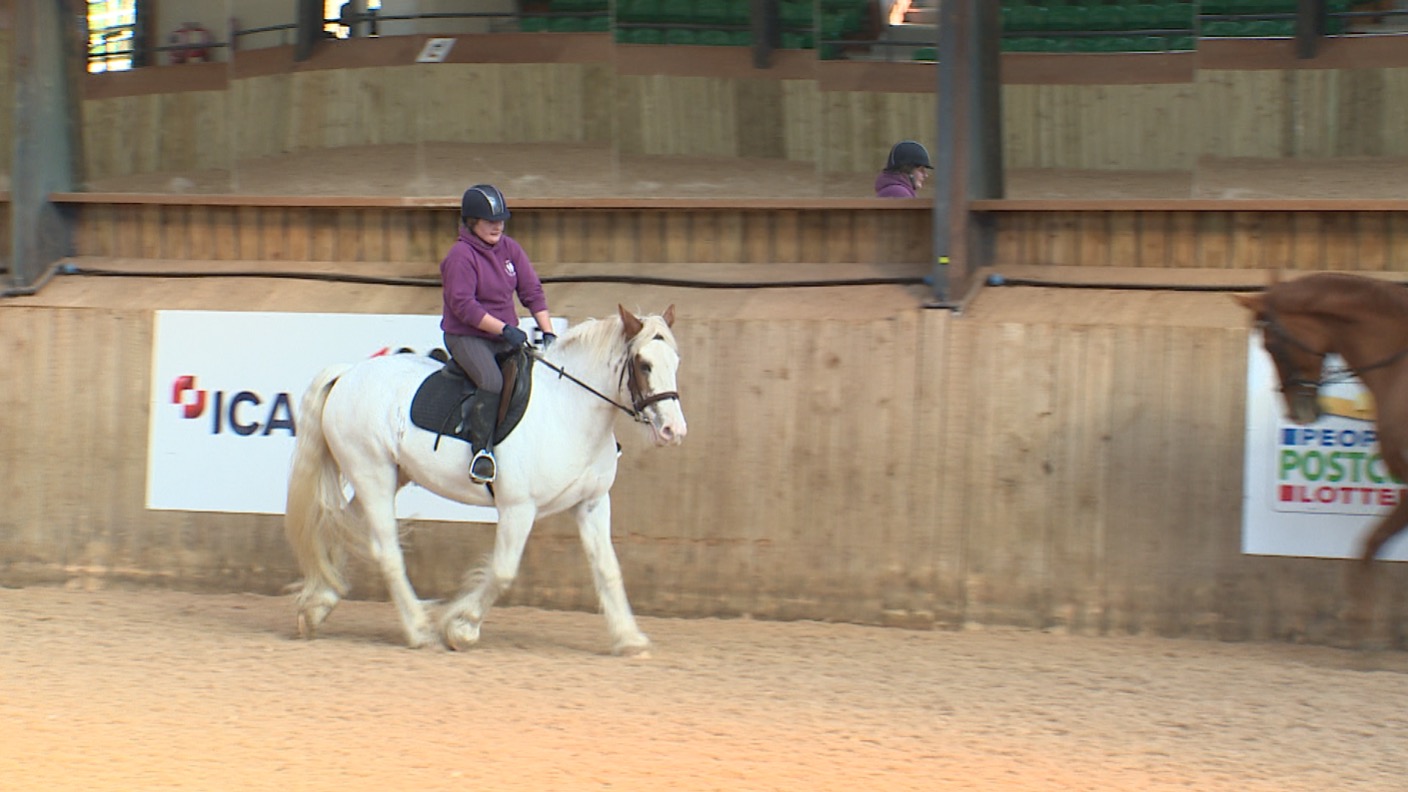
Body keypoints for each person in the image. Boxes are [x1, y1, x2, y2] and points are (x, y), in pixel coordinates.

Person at [440, 183, 556, 484]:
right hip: (467, 337)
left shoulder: (510, 248)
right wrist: (505, 329)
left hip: (503, 335)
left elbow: (532, 291)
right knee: (491, 381)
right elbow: (464, 306)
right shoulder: (460, 256)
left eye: (501, 219)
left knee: (536, 373)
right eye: (490, 220)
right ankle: (482, 453)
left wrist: (548, 331)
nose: (497, 226)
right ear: (471, 221)